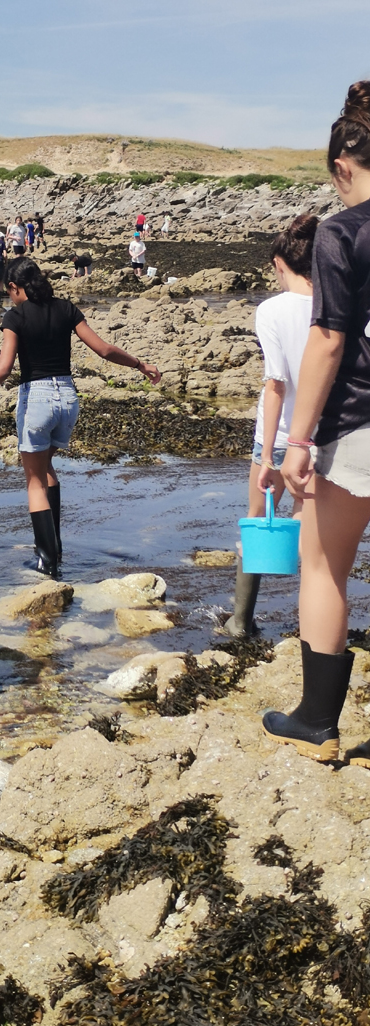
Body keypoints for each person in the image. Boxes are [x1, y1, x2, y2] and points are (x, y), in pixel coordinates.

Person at [262, 81, 370, 766]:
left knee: (326, 564)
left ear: (341, 167)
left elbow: (328, 338)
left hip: (359, 421)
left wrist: (298, 440)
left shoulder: (343, 231)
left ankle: (317, 722)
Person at [0, 258, 160, 577]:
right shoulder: (65, 308)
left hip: (38, 400)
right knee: (46, 469)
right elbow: (104, 350)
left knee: (33, 481)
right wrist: (140, 365)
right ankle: (54, 546)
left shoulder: (14, 316)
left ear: (15, 288)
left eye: (8, 291)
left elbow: (4, 369)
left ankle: (47, 561)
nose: (9, 297)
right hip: (68, 399)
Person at [224, 214, 318, 636]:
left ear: (281, 265)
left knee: (257, 523)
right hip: (324, 438)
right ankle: (310, 630)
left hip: (280, 438)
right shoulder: (340, 304)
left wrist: (265, 456)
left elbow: (275, 384)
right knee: (313, 540)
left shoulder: (272, 310)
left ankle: (241, 621)